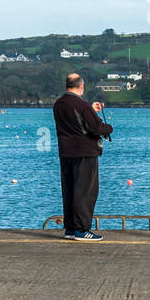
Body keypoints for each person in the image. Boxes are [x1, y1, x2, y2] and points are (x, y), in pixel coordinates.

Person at [52, 73, 114, 241]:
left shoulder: (59, 104)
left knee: (70, 190)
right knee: (85, 191)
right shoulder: (82, 105)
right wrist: (109, 128)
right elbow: (97, 128)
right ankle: (82, 229)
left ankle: (70, 228)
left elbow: (74, 120)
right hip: (85, 153)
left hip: (66, 152)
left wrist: (90, 109)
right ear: (81, 86)